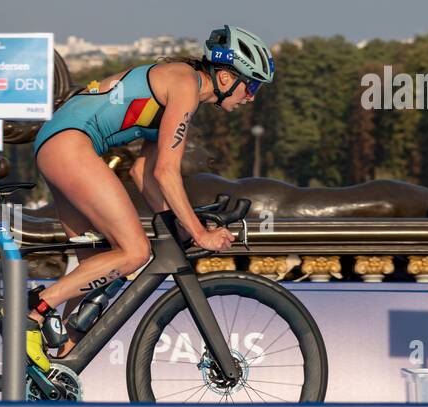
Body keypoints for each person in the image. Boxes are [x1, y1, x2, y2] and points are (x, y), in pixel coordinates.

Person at [26, 25, 275, 369]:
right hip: (70, 144)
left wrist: (180, 226)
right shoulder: (185, 84)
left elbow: (144, 173)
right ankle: (33, 311)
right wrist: (200, 234)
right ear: (224, 76)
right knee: (135, 252)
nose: (251, 97)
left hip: (60, 144)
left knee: (92, 281)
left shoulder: (181, 87)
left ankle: (57, 370)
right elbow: (167, 173)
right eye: (252, 85)